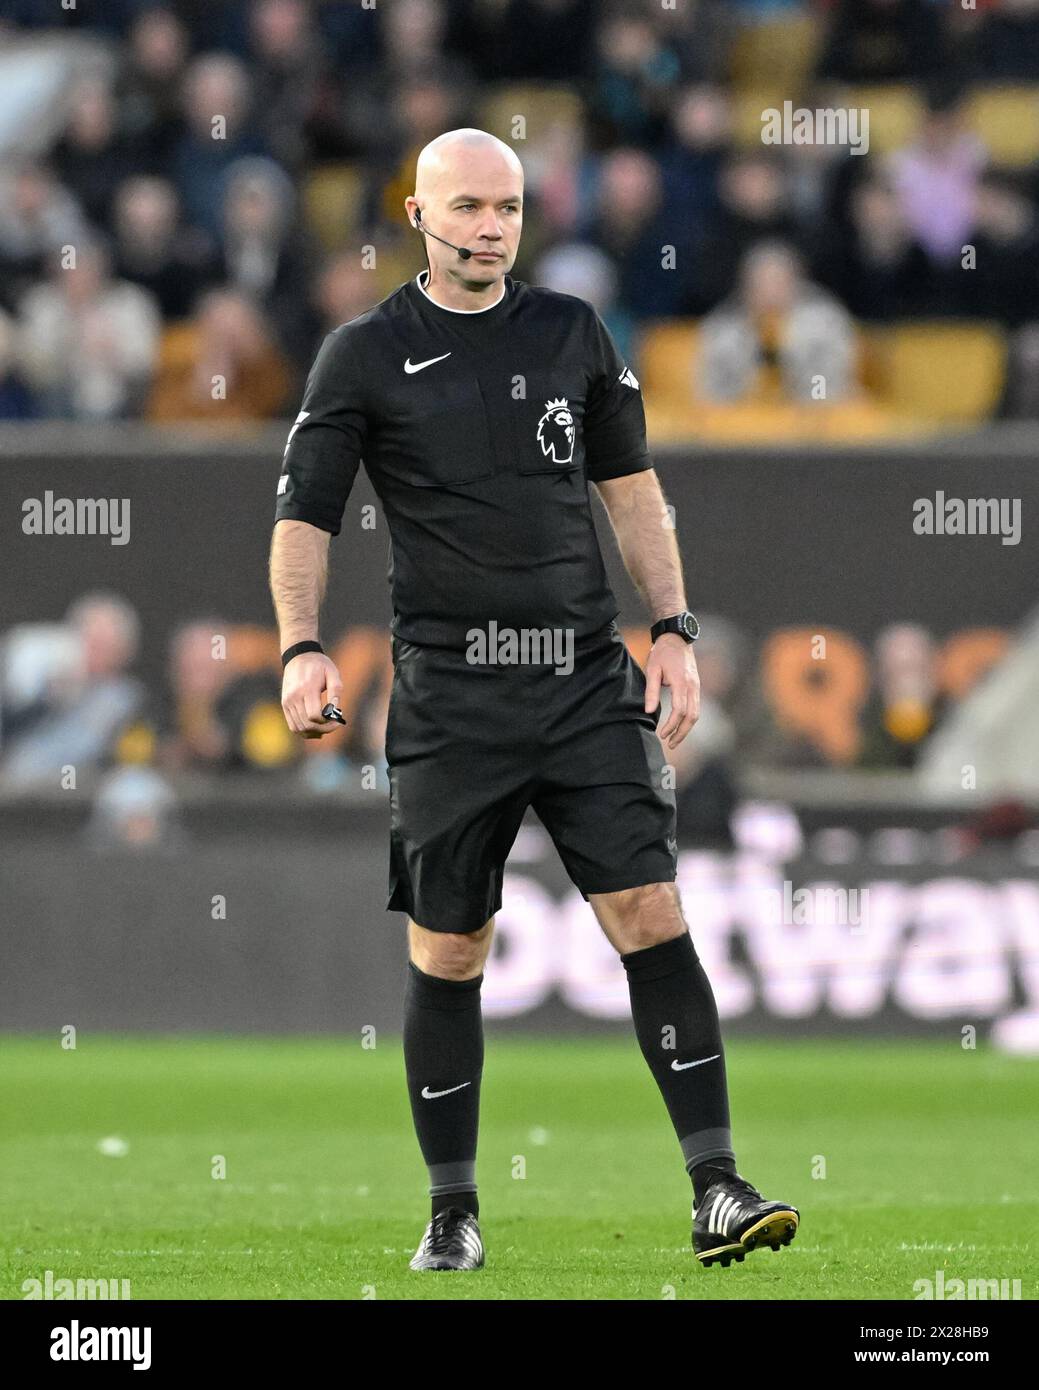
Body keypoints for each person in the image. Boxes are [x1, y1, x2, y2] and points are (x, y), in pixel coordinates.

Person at [268, 128, 798, 1273]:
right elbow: (303, 518)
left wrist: (672, 629)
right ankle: (452, 1208)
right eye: (466, 207)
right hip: (450, 694)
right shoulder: (362, 355)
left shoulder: (571, 333)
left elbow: (634, 494)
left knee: (650, 913)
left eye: (506, 208)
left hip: (579, 681)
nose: (490, 227)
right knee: (452, 949)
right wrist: (301, 647)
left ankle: (717, 1185)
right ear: (417, 213)